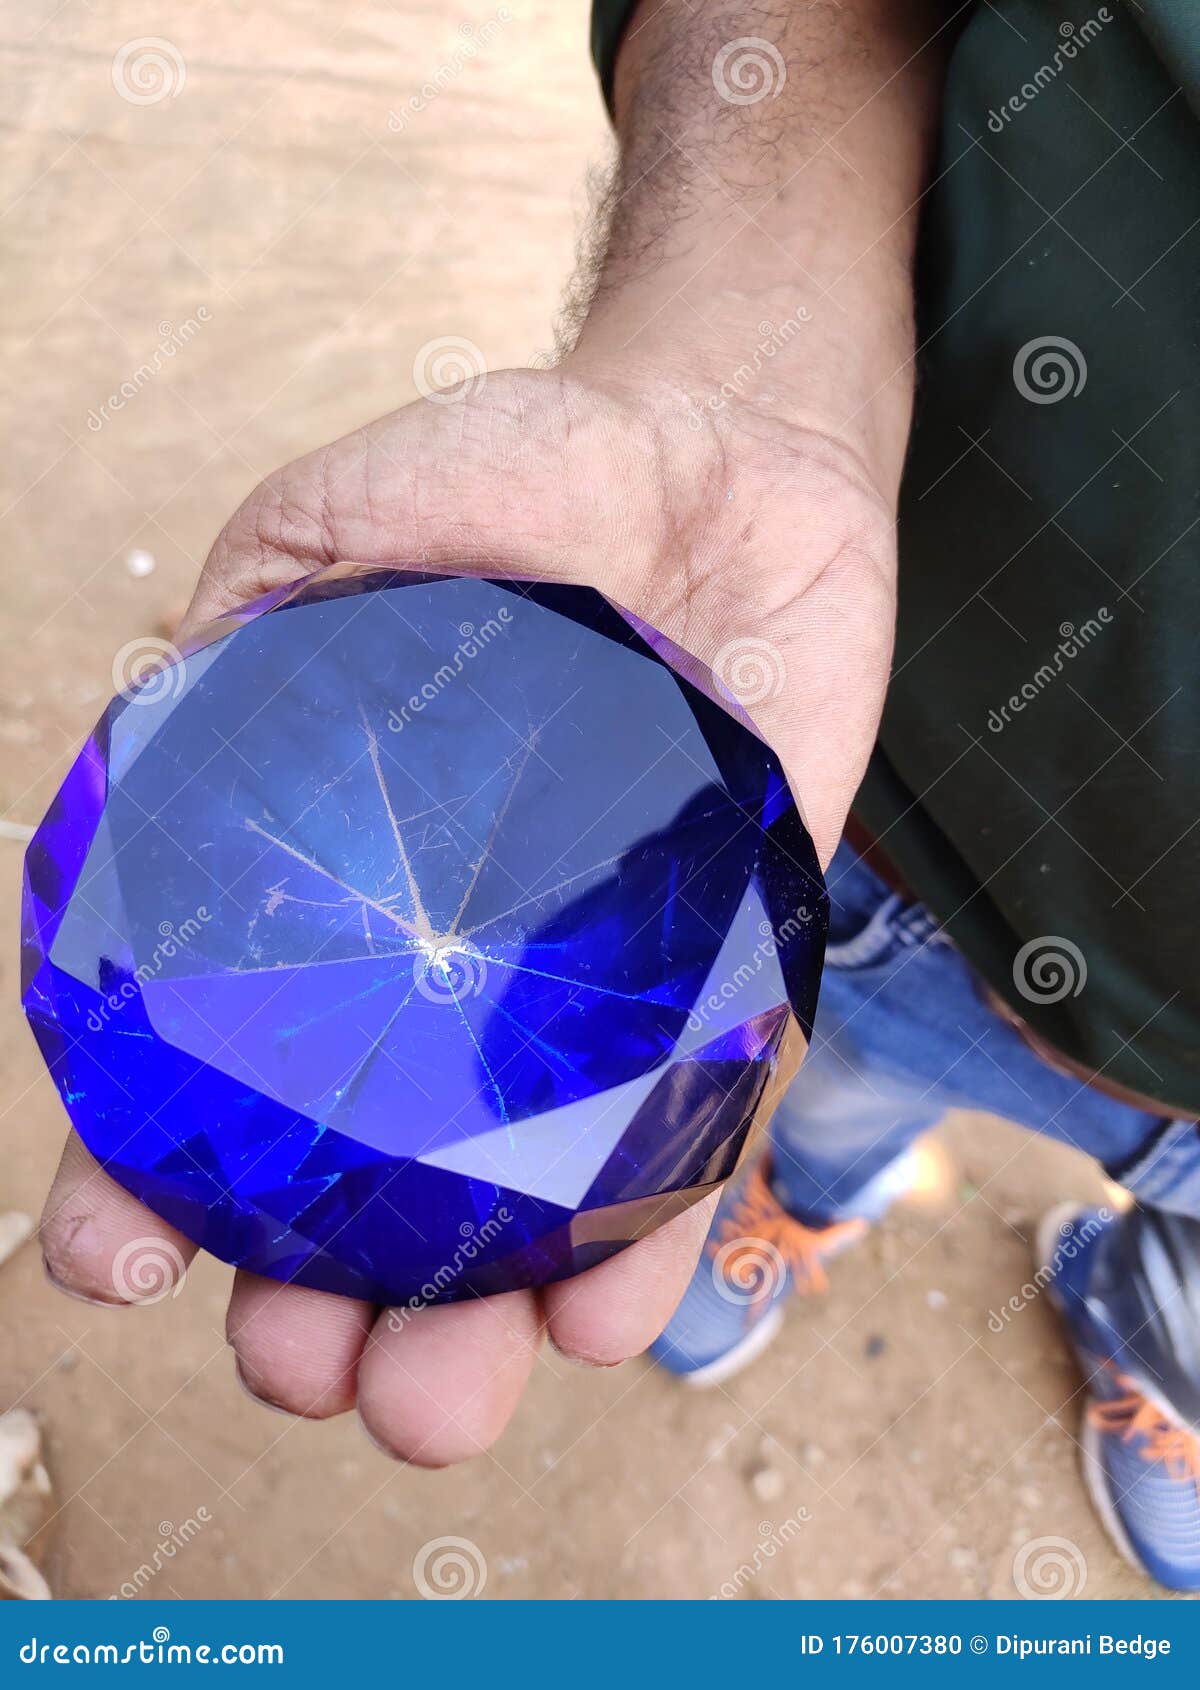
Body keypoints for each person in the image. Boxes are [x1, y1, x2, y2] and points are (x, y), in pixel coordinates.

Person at [39, 0, 1200, 1592]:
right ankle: (804, 1195)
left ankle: (1156, 1330)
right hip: (866, 828)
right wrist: (742, 341)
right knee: (842, 1085)